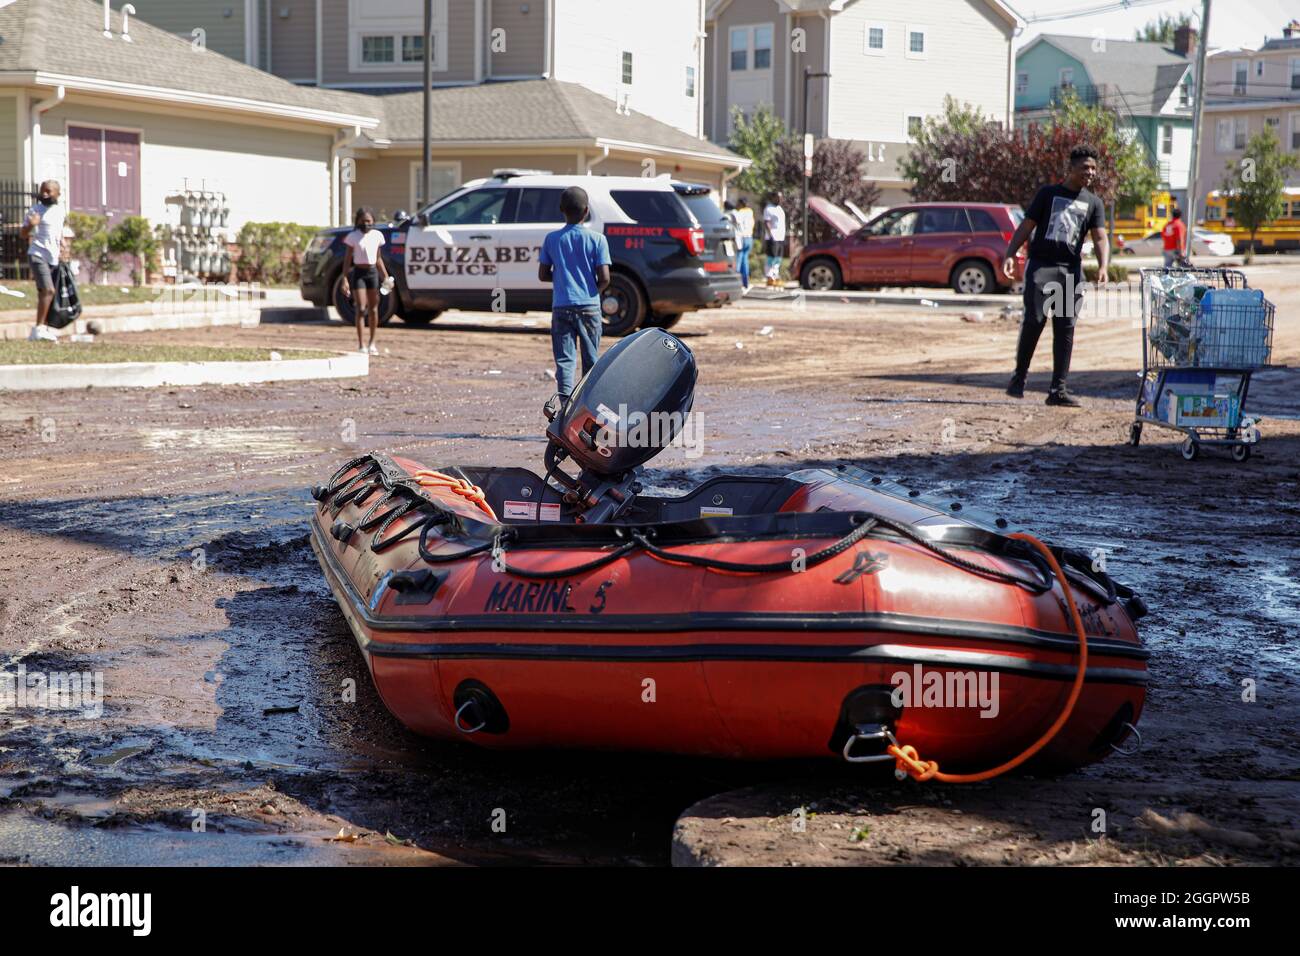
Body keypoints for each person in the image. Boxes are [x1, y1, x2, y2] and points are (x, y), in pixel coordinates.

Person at [1002, 145, 1108, 408]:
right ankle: (1019, 378)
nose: (1090, 172)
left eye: (1093, 168)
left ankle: (1058, 390)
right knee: (1034, 321)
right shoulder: (1048, 194)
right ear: (1070, 168)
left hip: (1070, 270)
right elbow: (1027, 225)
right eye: (1085, 167)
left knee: (1065, 328)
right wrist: (1010, 253)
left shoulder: (1093, 202)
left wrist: (1103, 266)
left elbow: (1100, 237)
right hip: (1042, 267)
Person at [538, 186, 612, 398]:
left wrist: (562, 279)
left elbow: (543, 274)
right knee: (591, 360)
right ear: (586, 210)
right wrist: (591, 292)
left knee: (565, 361)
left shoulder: (552, 239)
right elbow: (605, 278)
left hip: (562, 307)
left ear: (561, 209)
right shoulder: (598, 240)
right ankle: (586, 405)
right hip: (589, 307)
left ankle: (564, 406)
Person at [19, 180, 67, 342]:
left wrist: (62, 244)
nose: (44, 194)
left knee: (45, 293)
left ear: (58, 194)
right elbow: (23, 234)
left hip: (53, 256)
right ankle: (39, 329)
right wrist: (30, 226)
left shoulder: (60, 211)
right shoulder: (35, 210)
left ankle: (42, 329)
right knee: (48, 290)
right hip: (37, 254)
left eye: (48, 191)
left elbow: (58, 230)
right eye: (42, 191)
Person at [340, 207, 390, 355]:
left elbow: (378, 258)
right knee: (361, 308)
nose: (366, 224)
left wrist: (386, 277)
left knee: (374, 309)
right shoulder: (353, 237)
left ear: (373, 221)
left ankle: (372, 343)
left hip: (372, 272)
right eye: (363, 221)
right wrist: (344, 279)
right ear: (358, 222)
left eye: (368, 221)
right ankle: (361, 344)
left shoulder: (377, 236)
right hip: (359, 273)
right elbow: (347, 259)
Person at [762, 191, 786, 287]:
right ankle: (769, 277)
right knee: (771, 258)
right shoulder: (769, 209)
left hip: (780, 237)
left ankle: (775, 276)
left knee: (778, 258)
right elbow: (766, 222)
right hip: (773, 237)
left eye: (781, 198)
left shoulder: (780, 209)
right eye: (778, 197)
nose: (780, 199)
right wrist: (771, 235)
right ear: (773, 198)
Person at [734, 198, 755, 290]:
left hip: (741, 238)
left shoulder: (739, 212)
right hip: (749, 237)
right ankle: (745, 282)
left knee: (738, 260)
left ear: (741, 204)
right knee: (745, 260)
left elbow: (737, 223)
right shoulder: (750, 211)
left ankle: (736, 282)